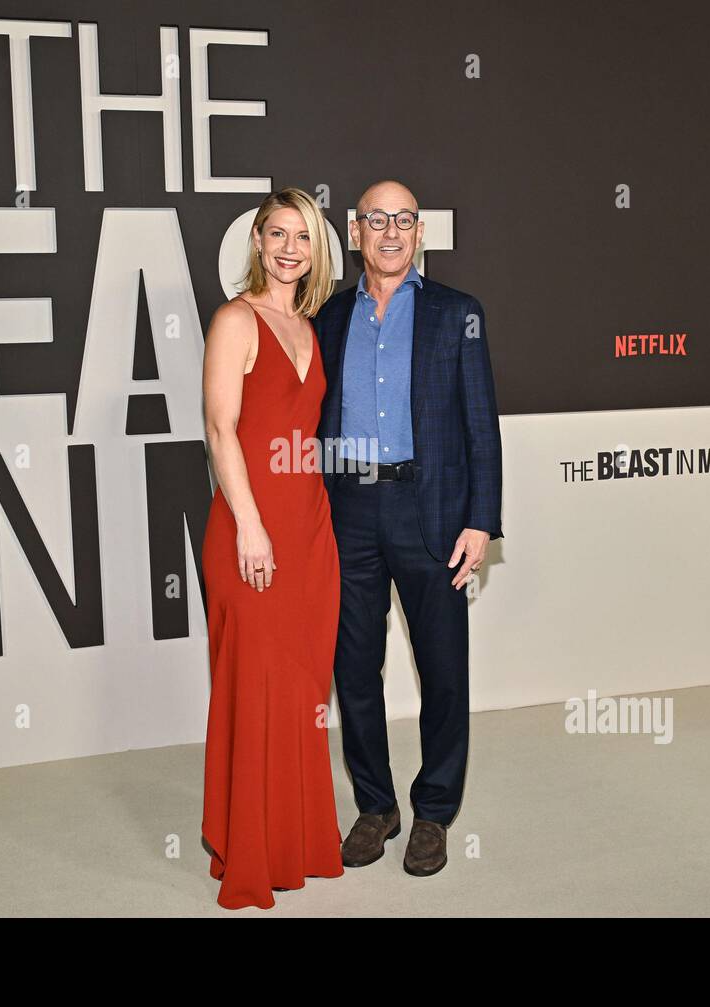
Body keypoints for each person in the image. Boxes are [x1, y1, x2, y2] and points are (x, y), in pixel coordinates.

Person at [314, 179, 503, 877]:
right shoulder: (329, 317)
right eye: (375, 219)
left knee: (443, 672)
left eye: (403, 219)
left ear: (418, 232)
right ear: (355, 231)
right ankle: (376, 805)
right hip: (349, 515)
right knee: (355, 670)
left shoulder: (459, 315)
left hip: (433, 513)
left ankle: (433, 812)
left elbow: (481, 428)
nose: (390, 231)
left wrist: (481, 520)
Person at [199, 187, 344, 910]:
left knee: (299, 693)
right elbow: (222, 429)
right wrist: (250, 526)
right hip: (249, 530)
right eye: (278, 234)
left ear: (316, 249)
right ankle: (253, 851)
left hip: (311, 531)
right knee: (253, 687)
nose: (291, 248)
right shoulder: (236, 320)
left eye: (304, 236)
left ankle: (298, 840)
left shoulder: (310, 328)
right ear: (256, 242)